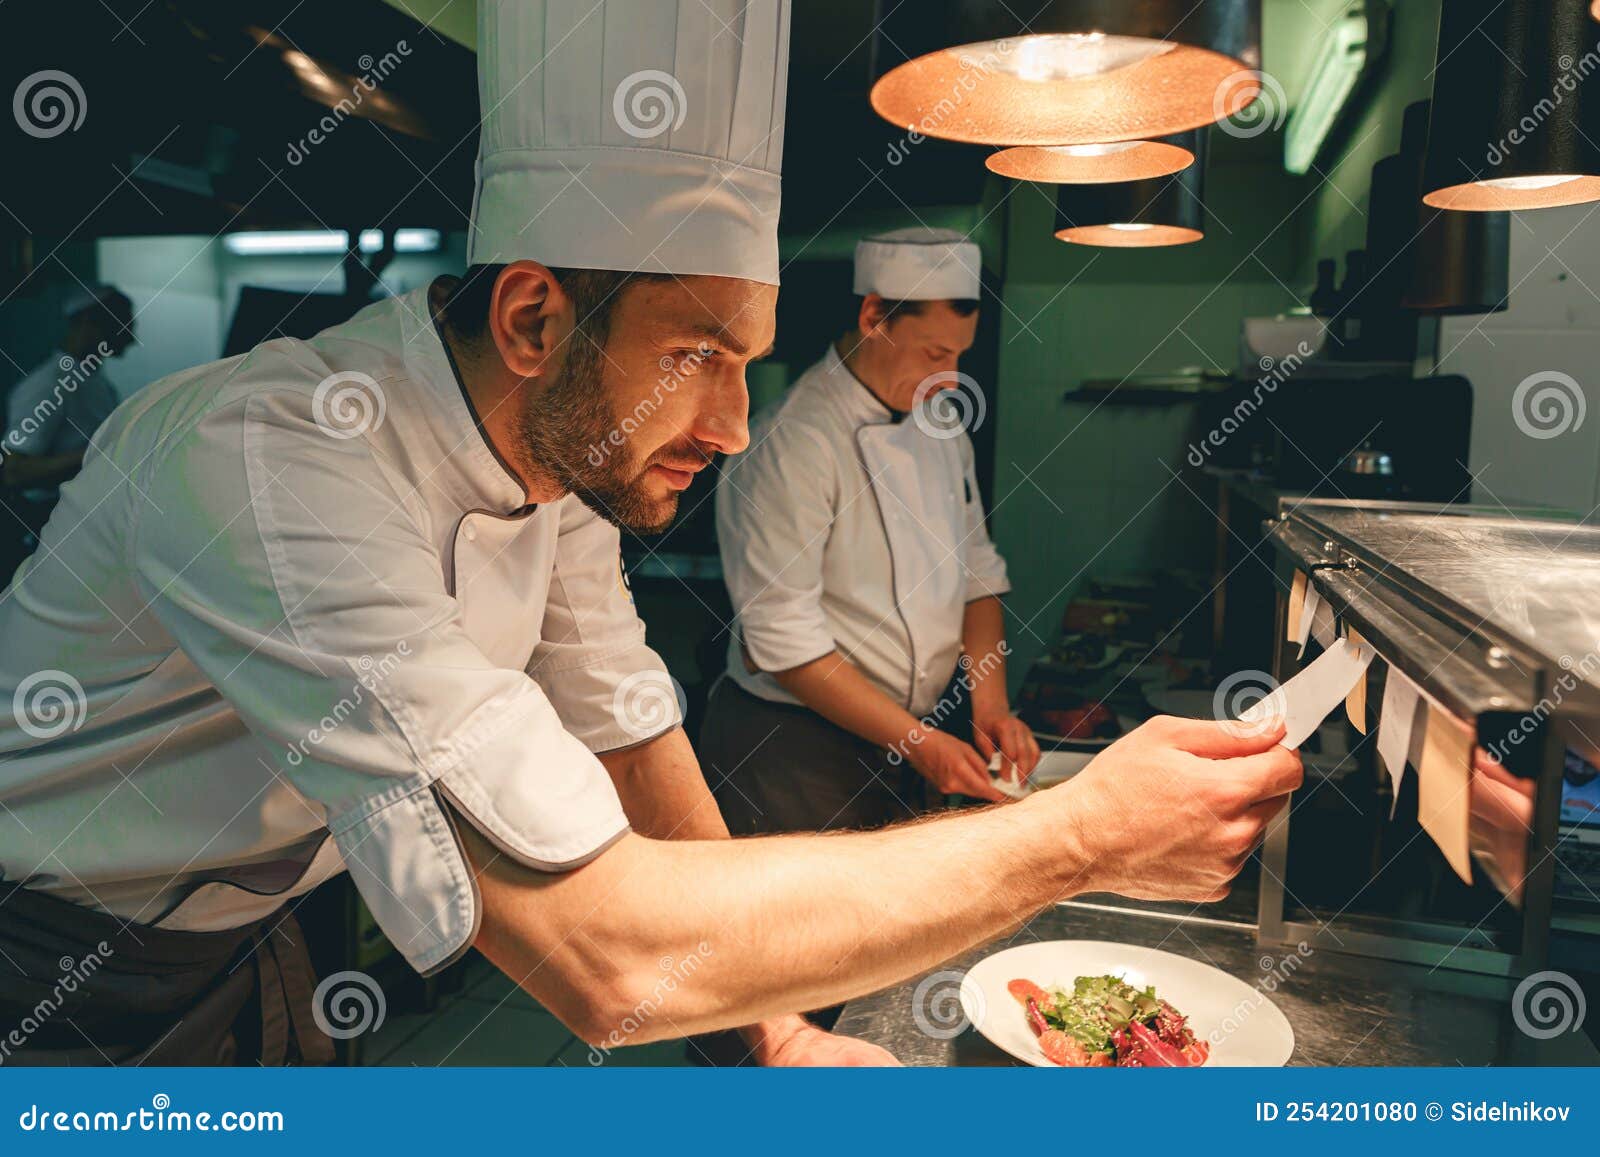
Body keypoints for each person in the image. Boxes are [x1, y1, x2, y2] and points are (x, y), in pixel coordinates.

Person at [0, 0, 1300, 1067]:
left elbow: (630, 736)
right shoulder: (270, 456)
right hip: (46, 961)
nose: (736, 425)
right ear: (531, 322)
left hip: (250, 942)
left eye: (748, 364)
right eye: (694, 355)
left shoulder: (553, 465)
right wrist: (1081, 833)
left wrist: (775, 1039)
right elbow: (604, 959)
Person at [704, 227, 1034, 842]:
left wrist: (991, 706)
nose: (953, 377)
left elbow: (978, 571)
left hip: (909, 739)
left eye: (960, 354)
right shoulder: (794, 440)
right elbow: (785, 642)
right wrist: (918, 743)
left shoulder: (941, 424)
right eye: (936, 353)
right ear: (875, 315)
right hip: (793, 748)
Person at [1, 285, 135, 574]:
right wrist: (101, 452)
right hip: (45, 531)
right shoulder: (49, 384)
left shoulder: (94, 381)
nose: (131, 335)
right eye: (123, 321)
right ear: (88, 321)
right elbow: (14, 471)